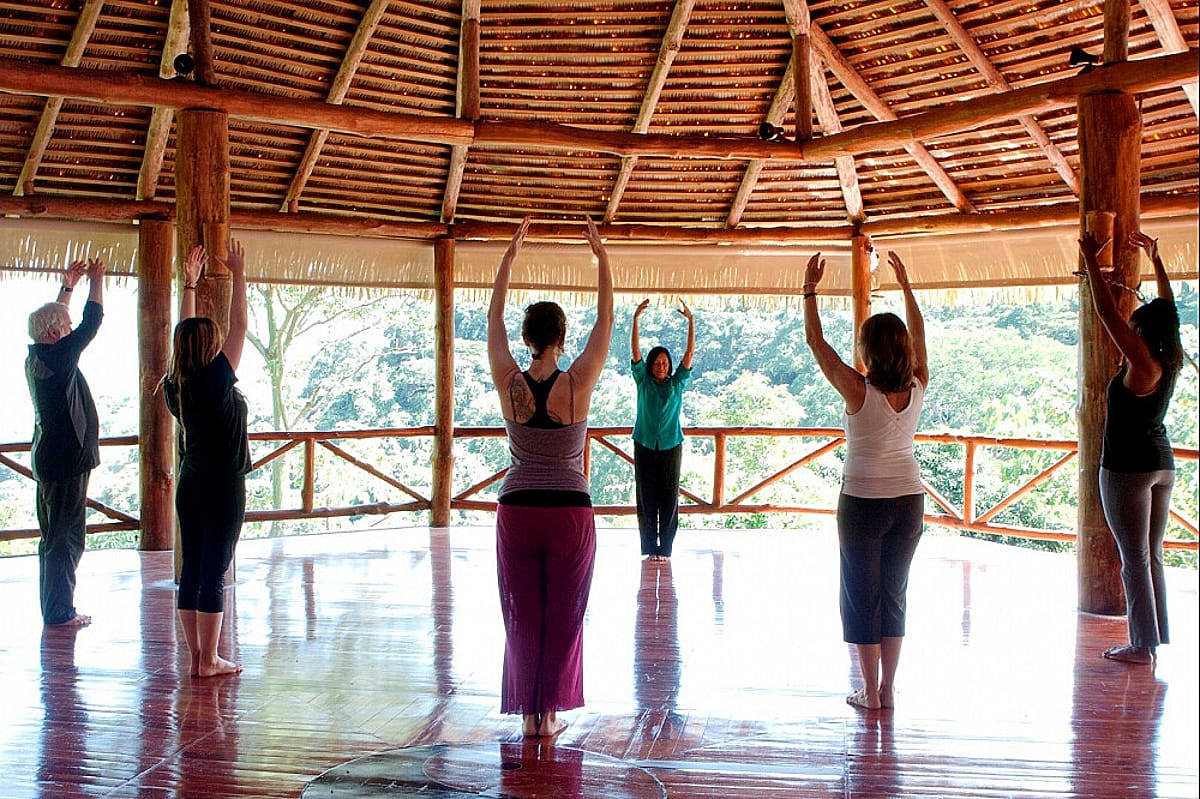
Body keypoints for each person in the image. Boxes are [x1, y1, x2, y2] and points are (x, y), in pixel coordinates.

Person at [487, 216, 613, 738]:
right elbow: (606, 319)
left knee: (521, 614)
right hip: (568, 513)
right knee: (565, 615)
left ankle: (528, 717)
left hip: (517, 511)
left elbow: (492, 318)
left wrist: (508, 261)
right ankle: (551, 716)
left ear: (527, 338)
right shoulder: (578, 382)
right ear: (562, 338)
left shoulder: (508, 380)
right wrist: (601, 260)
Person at [802, 250, 928, 711]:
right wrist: (907, 287)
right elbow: (920, 336)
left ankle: (870, 693)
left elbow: (816, 343)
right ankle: (888, 690)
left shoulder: (858, 390)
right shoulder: (918, 383)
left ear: (867, 351)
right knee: (894, 594)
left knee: (862, 595)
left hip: (863, 502)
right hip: (909, 501)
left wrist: (809, 290)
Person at [1079, 230, 1182, 665]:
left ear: (1142, 333)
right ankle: (1153, 637)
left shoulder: (1142, 362)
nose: (1131, 327)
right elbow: (1169, 311)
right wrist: (1156, 261)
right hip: (1161, 463)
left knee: (1134, 559)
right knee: (1151, 555)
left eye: (1136, 325)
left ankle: (1142, 646)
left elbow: (1106, 313)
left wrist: (1089, 258)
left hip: (1128, 469)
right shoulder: (1170, 358)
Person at [162, 240, 250, 678]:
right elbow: (240, 325)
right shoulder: (214, 380)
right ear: (209, 346)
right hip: (223, 485)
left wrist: (190, 285)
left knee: (193, 569)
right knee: (213, 570)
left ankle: (198, 657)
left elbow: (185, 332)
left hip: (190, 482)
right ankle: (210, 660)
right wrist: (239, 274)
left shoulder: (175, 383)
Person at [25, 256, 106, 628]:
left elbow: (57, 320)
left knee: (53, 537)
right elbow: (92, 322)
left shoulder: (38, 356)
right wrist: (97, 280)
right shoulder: (58, 357)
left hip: (50, 458)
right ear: (56, 333)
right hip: (67, 461)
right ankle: (60, 612)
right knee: (66, 539)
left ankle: (54, 608)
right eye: (65, 327)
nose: (71, 331)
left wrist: (68, 287)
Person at [630, 298, 695, 561]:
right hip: (644, 442)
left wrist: (691, 322)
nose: (661, 366)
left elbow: (688, 356)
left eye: (665, 363)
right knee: (646, 496)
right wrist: (635, 320)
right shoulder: (643, 381)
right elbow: (636, 352)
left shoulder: (677, 383)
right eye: (657, 363)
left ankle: (665, 549)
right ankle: (649, 548)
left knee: (669, 497)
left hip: (671, 444)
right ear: (650, 365)